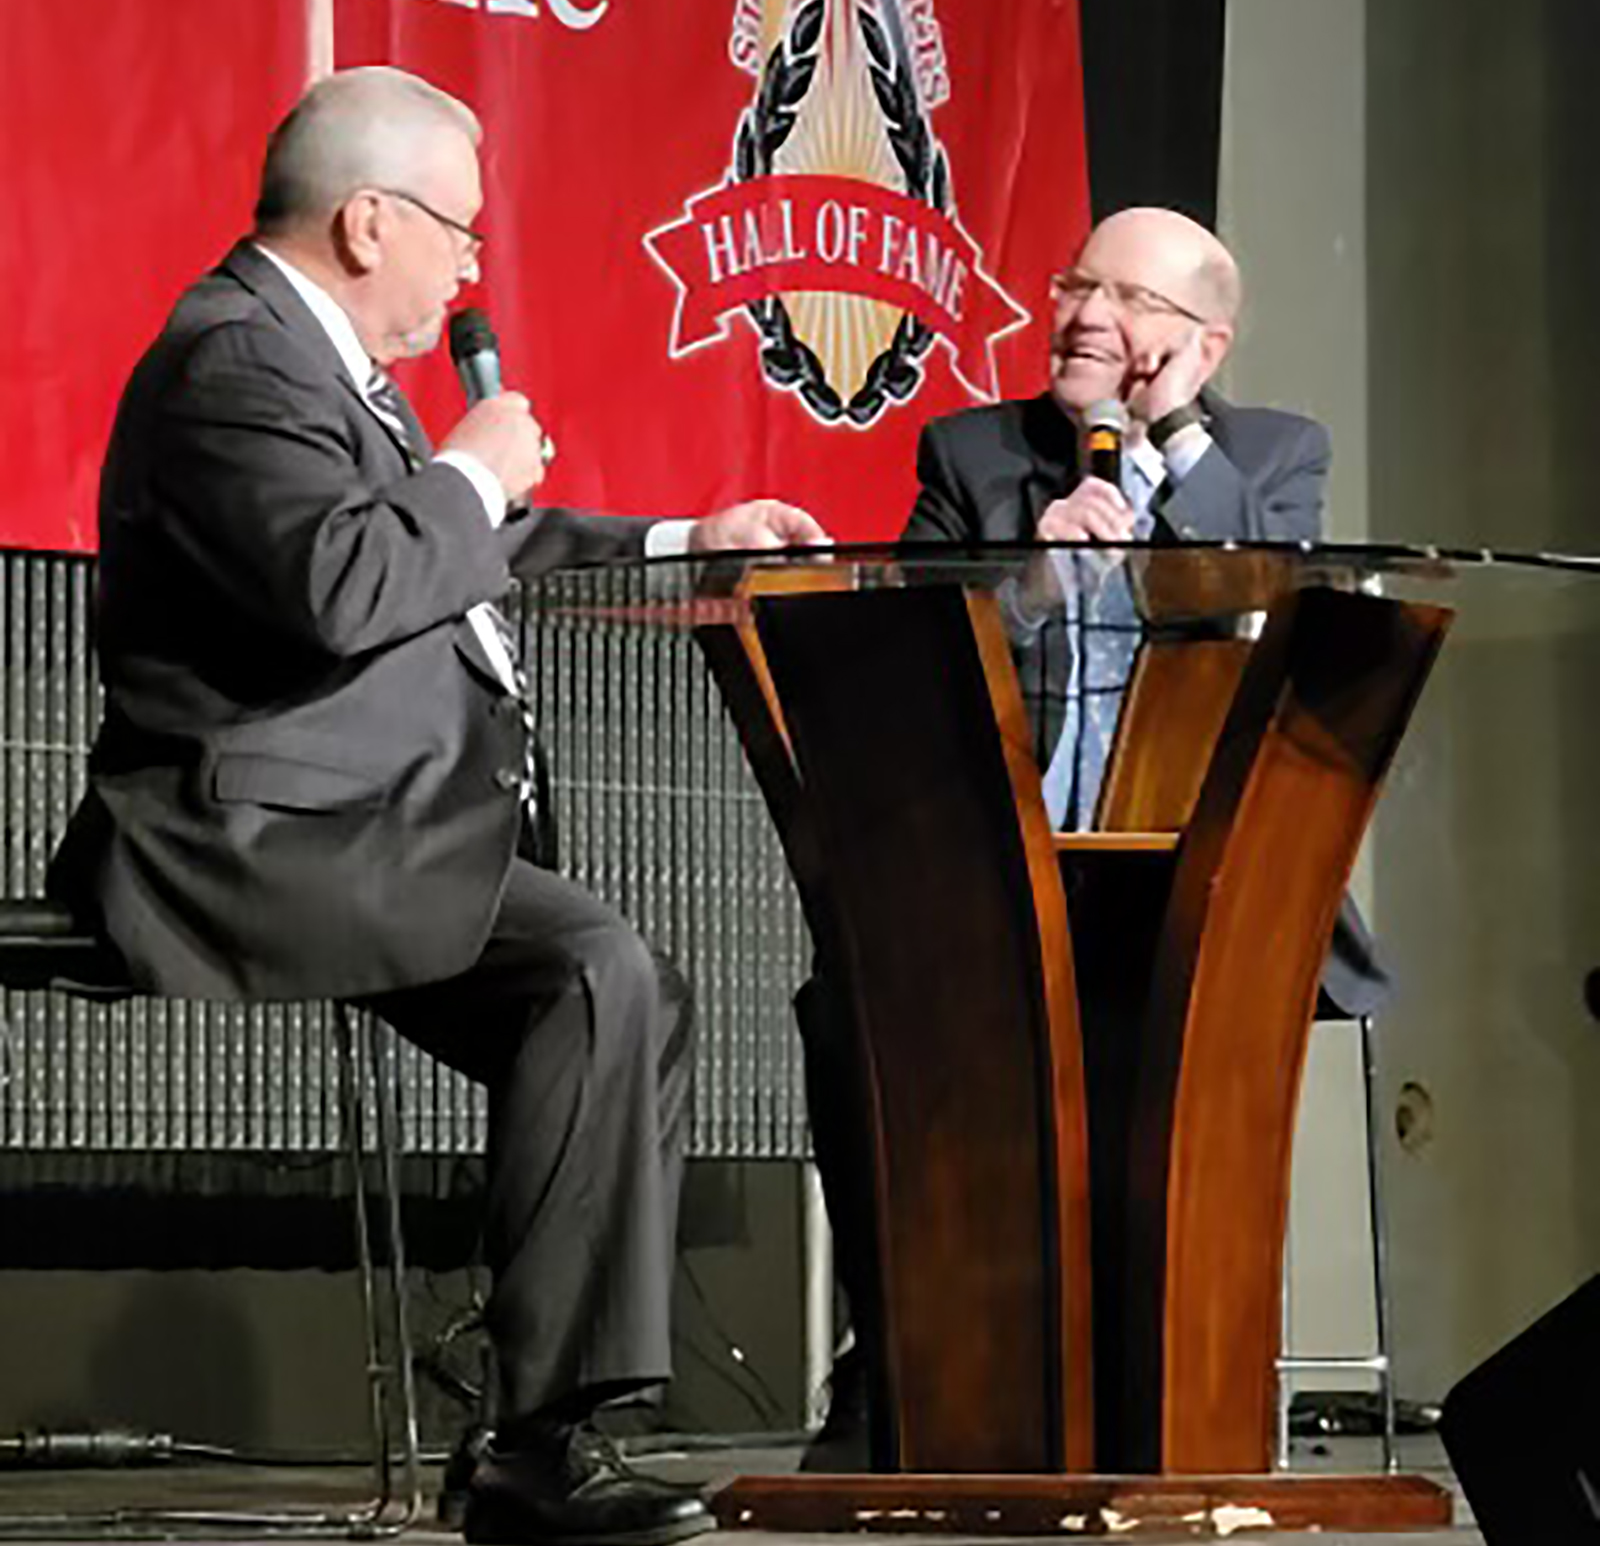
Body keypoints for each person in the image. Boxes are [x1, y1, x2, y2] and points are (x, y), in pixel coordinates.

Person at [46, 67, 826, 1546]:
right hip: (261, 835)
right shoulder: (235, 359)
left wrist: (680, 536)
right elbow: (348, 581)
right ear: (366, 221)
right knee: (601, 974)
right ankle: (536, 1444)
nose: (472, 269)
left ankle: (537, 1424)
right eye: (459, 233)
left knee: (612, 984)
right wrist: (467, 470)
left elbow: (456, 549)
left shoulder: (319, 364)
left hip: (379, 828)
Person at [798, 207, 1387, 1469]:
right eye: (1073, 283)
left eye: (1125, 298)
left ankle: (1157, 1379)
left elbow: (1268, 596)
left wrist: (1174, 440)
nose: (1080, 314)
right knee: (847, 1002)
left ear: (1200, 341)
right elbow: (897, 659)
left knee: (1152, 1021)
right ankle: (899, 1348)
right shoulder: (970, 454)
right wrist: (1023, 588)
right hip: (1000, 865)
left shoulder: (1273, 453)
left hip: (1191, 871)